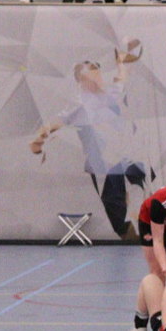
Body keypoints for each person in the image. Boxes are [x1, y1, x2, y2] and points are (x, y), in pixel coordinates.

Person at [30, 39, 152, 240]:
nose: (97, 81)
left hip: (127, 156)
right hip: (102, 165)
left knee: (144, 186)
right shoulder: (78, 106)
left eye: (98, 76)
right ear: (80, 80)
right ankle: (129, 238)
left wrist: (121, 61)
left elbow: (121, 78)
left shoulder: (111, 94)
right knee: (116, 212)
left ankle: (149, 232)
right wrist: (39, 139)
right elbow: (55, 123)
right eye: (90, 77)